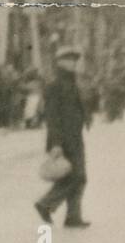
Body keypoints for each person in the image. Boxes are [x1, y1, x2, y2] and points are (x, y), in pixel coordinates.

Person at [35, 46, 90, 229]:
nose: (73, 62)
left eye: (74, 59)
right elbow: (52, 117)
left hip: (75, 137)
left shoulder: (71, 82)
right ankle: (46, 204)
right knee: (76, 176)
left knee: (77, 177)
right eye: (69, 59)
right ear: (59, 62)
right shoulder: (55, 85)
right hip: (64, 140)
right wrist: (56, 143)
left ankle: (73, 217)